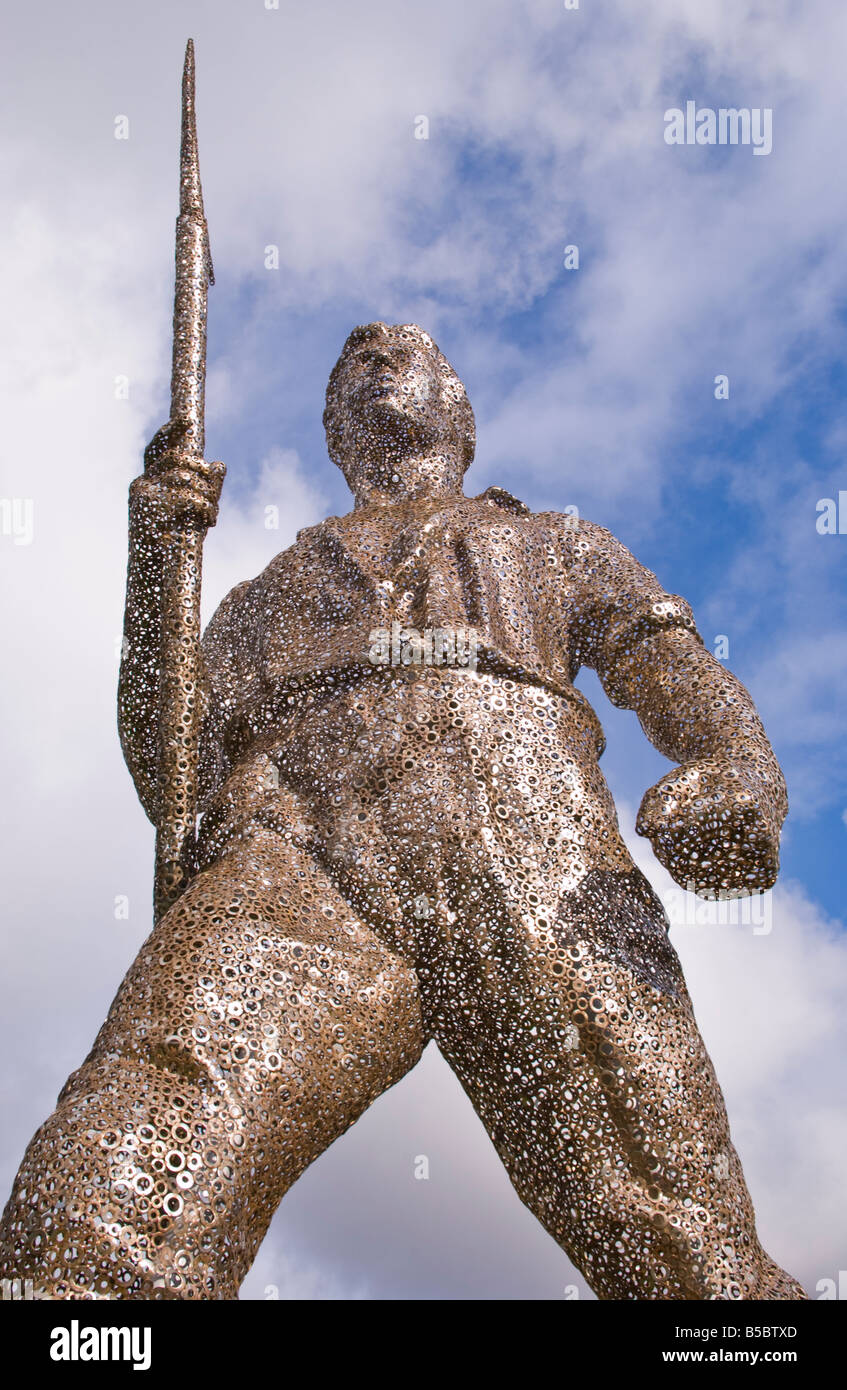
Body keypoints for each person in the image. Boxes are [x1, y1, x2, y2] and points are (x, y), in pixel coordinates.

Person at [0, 322, 805, 1300]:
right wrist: (156, 565)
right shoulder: (268, 596)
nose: (373, 354)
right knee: (97, 1199)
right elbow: (174, 778)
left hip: (526, 847)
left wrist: (737, 770)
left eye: (403, 352)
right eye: (351, 359)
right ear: (335, 429)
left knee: (680, 1243)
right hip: (292, 865)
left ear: (458, 410)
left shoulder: (552, 542)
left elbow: (670, 669)